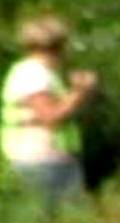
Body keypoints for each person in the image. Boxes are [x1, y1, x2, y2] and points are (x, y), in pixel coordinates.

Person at [3, 14, 97, 204]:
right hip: (41, 163)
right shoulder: (33, 74)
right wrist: (80, 91)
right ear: (59, 46)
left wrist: (79, 94)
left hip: (51, 161)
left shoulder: (43, 74)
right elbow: (50, 116)